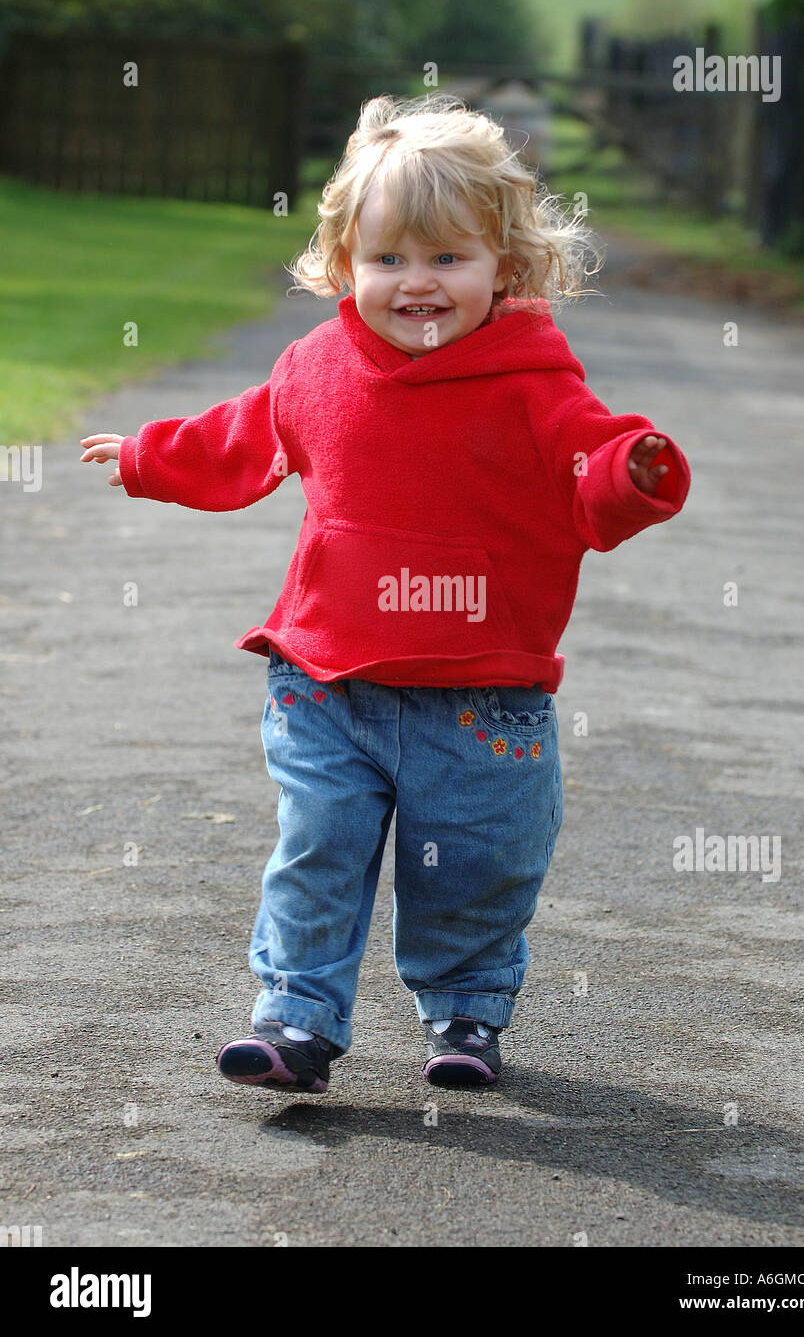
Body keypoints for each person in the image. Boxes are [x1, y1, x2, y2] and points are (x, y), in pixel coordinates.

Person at [80, 93, 690, 1093]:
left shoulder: (536, 382)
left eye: (449, 258)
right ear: (343, 265)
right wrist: (151, 454)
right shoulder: (317, 366)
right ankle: (296, 1022)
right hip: (326, 684)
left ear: (508, 266)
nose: (417, 284)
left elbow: (593, 464)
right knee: (317, 847)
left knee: (478, 870)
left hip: (482, 700)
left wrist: (633, 471)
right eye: (389, 259)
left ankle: (464, 1013)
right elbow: (242, 434)